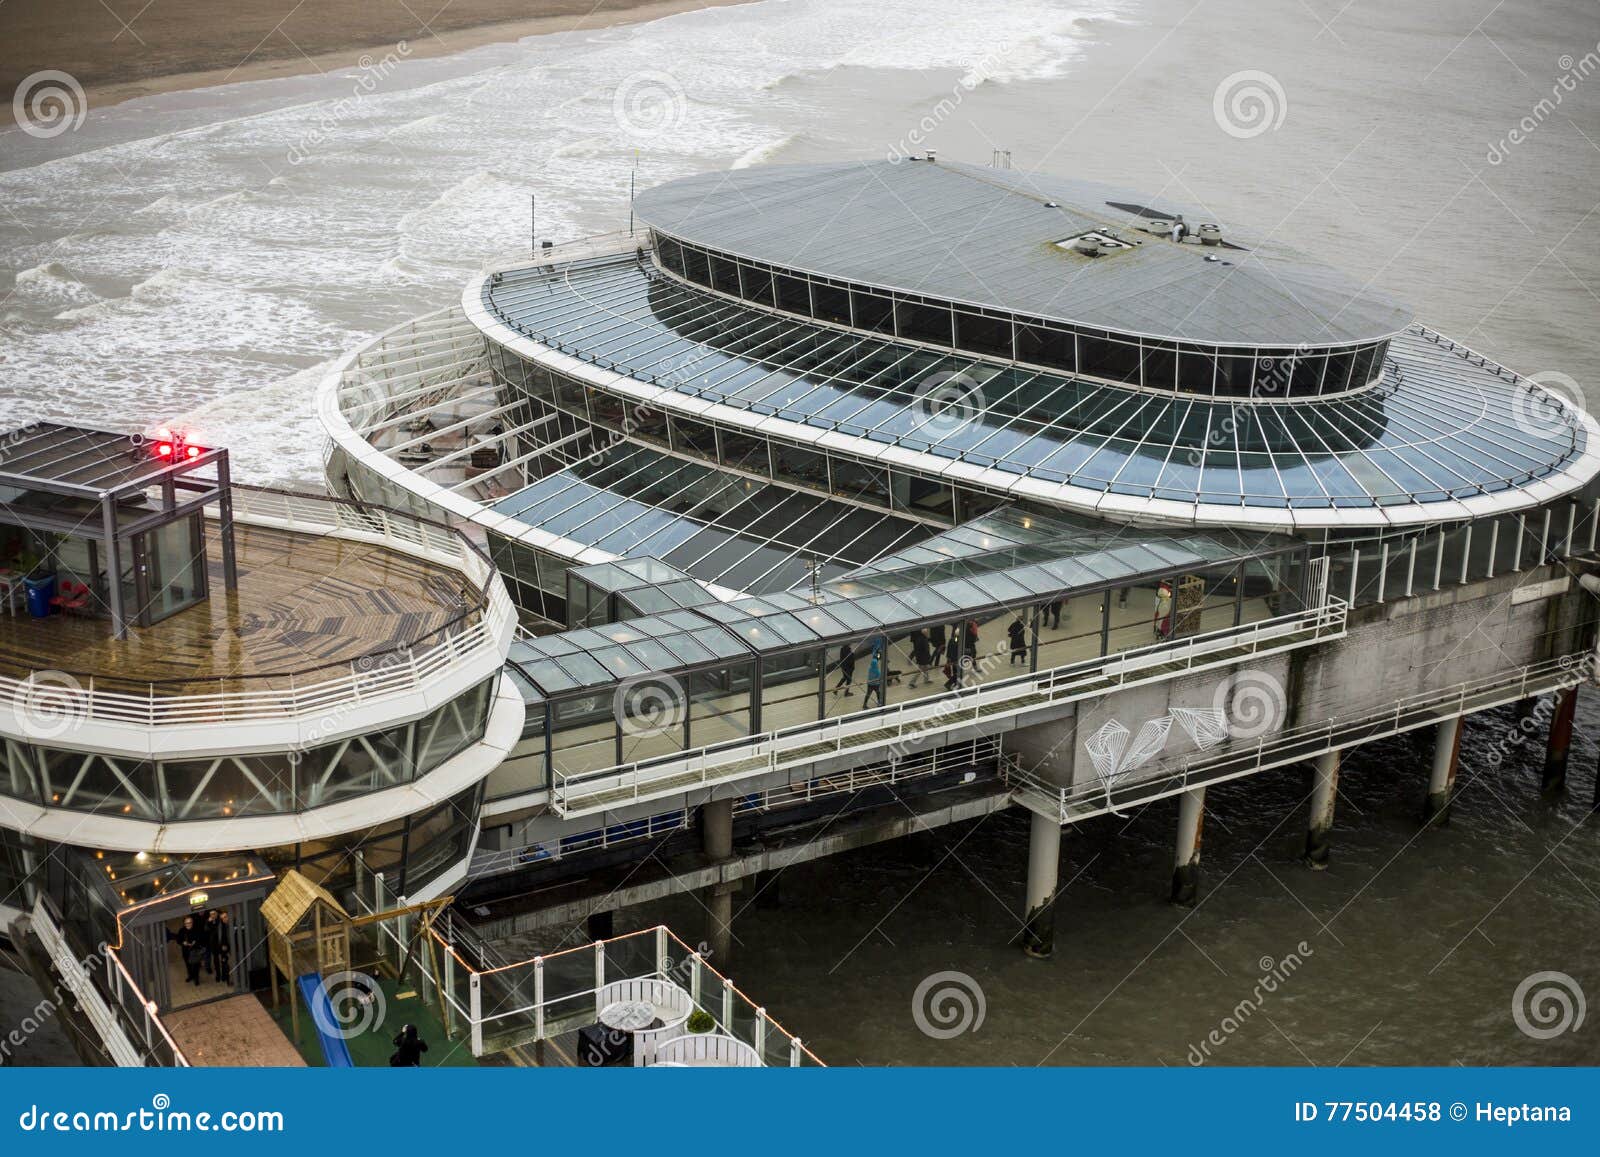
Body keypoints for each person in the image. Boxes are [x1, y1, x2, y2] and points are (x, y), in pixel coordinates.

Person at [172, 915, 204, 987]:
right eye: (187, 923)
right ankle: (191, 976)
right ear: (184, 923)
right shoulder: (182, 930)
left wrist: (195, 942)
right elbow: (178, 940)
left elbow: (201, 938)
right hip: (186, 951)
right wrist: (183, 942)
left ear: (192, 923)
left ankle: (196, 978)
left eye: (190, 922)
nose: (188, 924)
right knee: (188, 965)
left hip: (195, 950)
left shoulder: (196, 929)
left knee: (196, 965)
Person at [213, 909, 233, 984]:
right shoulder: (220, 928)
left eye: (225, 917)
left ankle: (228, 978)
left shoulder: (232, 924)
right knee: (226, 965)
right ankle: (228, 979)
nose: (225, 919)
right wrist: (223, 946)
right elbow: (219, 939)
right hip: (225, 950)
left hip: (233, 948)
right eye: (222, 918)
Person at [203, 909, 221, 978]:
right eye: (211, 914)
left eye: (214, 914)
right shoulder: (208, 921)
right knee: (216, 960)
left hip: (220, 942)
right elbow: (206, 930)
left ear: (217, 914)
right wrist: (208, 922)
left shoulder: (219, 920)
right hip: (213, 943)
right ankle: (218, 975)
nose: (213, 915)